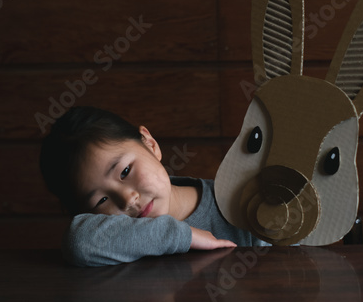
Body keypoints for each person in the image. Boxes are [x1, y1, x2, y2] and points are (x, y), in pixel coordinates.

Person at [39, 106, 267, 266]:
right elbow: (79, 242)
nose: (127, 200)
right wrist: (181, 236)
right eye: (101, 200)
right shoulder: (110, 240)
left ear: (150, 144)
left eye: (125, 171)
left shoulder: (238, 206)